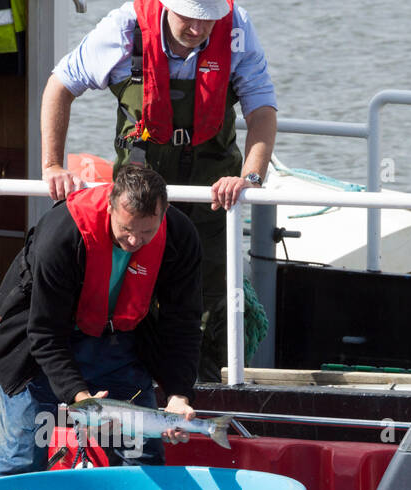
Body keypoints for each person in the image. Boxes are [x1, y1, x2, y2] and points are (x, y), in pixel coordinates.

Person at [40, 0, 277, 382]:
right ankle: (127, 381)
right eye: (189, 18)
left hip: (213, 193)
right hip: (139, 194)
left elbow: (262, 109)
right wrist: (51, 164)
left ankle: (204, 388)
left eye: (207, 20)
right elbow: (60, 84)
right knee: (132, 284)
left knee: (209, 296)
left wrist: (249, 178)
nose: (198, 30)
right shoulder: (124, 28)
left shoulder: (237, 29)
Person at [0, 165, 203, 476]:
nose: (134, 241)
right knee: (19, 462)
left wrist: (179, 395)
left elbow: (183, 324)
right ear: (110, 205)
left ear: (164, 213)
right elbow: (44, 332)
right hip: (34, 352)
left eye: (146, 232)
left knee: (140, 459)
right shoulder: (62, 236)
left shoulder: (180, 238)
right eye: (126, 229)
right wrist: (81, 398)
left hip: (117, 348)